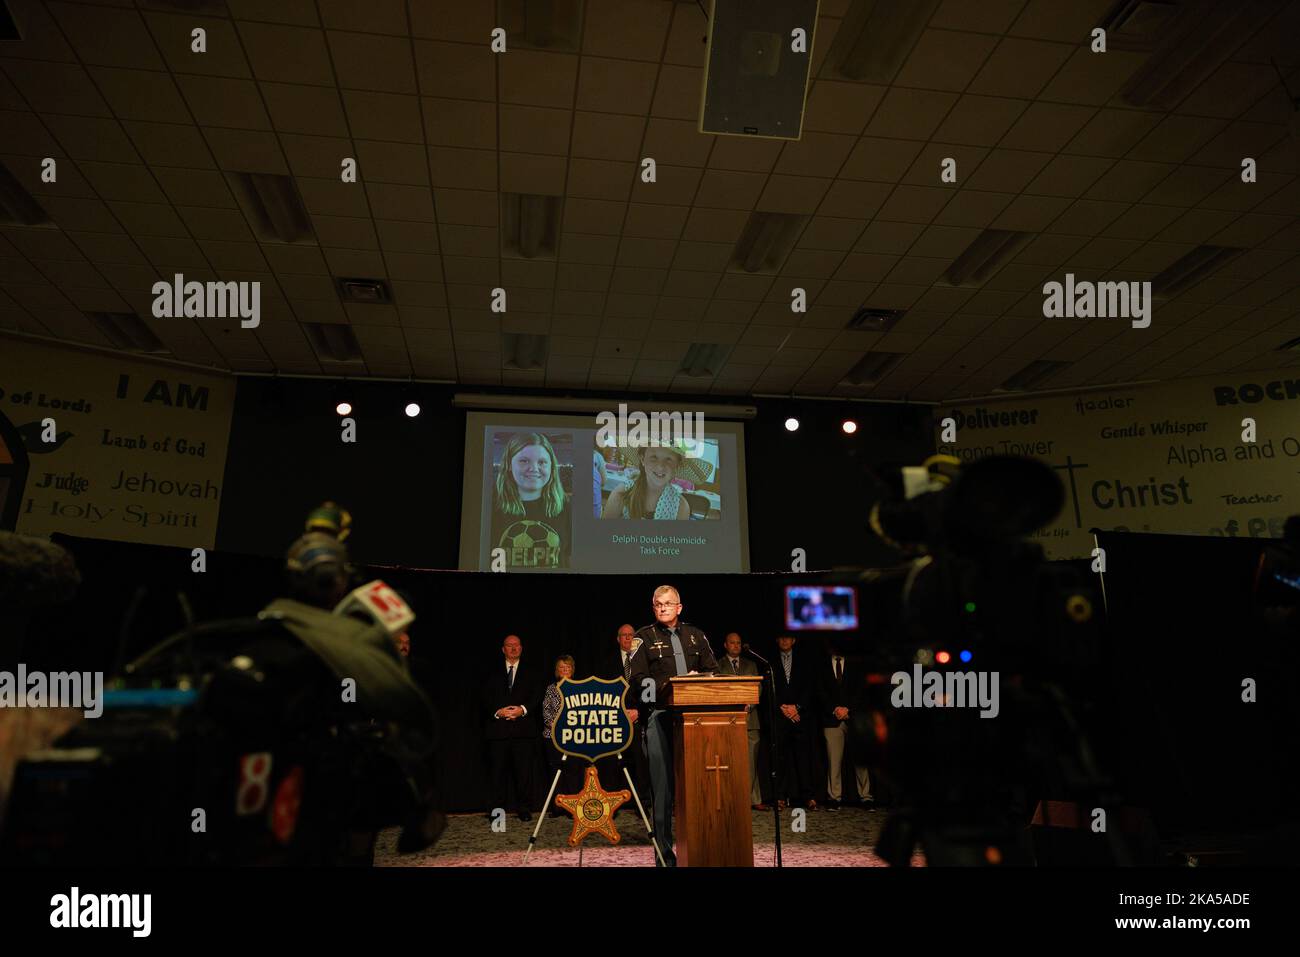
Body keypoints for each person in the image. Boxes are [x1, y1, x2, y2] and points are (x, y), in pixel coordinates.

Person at [628, 585, 718, 866]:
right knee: (663, 792)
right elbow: (637, 681)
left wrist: (699, 681)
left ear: (680, 607)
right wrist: (667, 687)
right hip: (660, 718)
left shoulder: (696, 635)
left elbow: (712, 672)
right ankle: (665, 858)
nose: (663, 608)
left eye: (668, 603)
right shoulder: (642, 638)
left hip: (697, 720)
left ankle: (703, 851)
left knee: (701, 789)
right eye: (658, 604)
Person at [489, 432, 571, 569]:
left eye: (542, 462)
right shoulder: (489, 506)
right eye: (524, 461)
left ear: (551, 467)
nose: (534, 469)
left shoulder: (567, 507)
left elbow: (569, 559)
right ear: (509, 464)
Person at [482, 634, 541, 821]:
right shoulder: (491, 672)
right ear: (503, 649)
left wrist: (522, 710)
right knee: (497, 774)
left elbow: (537, 696)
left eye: (517, 645)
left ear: (521, 648)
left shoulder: (532, 671)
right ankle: (496, 811)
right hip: (498, 731)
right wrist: (498, 712)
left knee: (523, 773)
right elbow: (484, 697)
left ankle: (524, 809)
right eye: (510, 645)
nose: (514, 648)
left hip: (523, 731)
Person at [597, 623, 649, 806]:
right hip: (614, 719)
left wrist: (638, 712)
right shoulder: (606, 662)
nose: (628, 638)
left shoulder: (644, 661)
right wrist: (617, 712)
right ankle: (612, 802)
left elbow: (649, 691)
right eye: (624, 635)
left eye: (631, 635)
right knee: (611, 762)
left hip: (637, 719)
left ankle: (641, 801)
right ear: (618, 639)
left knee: (639, 761)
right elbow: (601, 693)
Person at [820, 642, 873, 810]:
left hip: (854, 717)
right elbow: (819, 690)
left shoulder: (855, 662)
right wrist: (834, 709)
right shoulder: (821, 664)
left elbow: (861, 689)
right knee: (834, 761)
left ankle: (866, 797)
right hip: (831, 718)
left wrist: (848, 708)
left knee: (861, 761)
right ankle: (834, 798)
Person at [602, 441, 709, 521]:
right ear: (642, 459)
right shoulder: (621, 495)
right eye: (654, 457)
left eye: (669, 459)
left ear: (677, 465)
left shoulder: (681, 507)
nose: (660, 466)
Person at [718, 632, 764, 810]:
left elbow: (757, 688)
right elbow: (719, 690)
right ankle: (733, 798)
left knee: (751, 761)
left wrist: (749, 706)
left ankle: (753, 799)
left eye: (738, 643)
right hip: (728, 720)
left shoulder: (751, 664)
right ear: (725, 645)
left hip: (750, 719)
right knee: (729, 761)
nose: (736, 646)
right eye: (732, 643)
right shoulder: (718, 665)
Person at [772, 634, 817, 811]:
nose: (784, 641)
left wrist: (797, 708)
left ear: (794, 641)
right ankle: (780, 797)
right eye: (781, 638)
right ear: (777, 640)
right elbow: (769, 687)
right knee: (780, 760)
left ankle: (808, 796)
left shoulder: (804, 661)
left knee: (803, 758)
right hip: (780, 716)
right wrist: (782, 708)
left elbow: (810, 687)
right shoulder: (770, 662)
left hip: (800, 717)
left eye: (788, 638)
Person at [542, 655, 585, 802]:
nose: (565, 670)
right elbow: (546, 712)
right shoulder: (551, 689)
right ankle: (558, 805)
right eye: (562, 667)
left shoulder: (581, 687)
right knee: (556, 771)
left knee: (573, 771)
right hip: (553, 736)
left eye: (568, 667)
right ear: (557, 670)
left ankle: (574, 804)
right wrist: (557, 727)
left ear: (572, 670)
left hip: (575, 737)